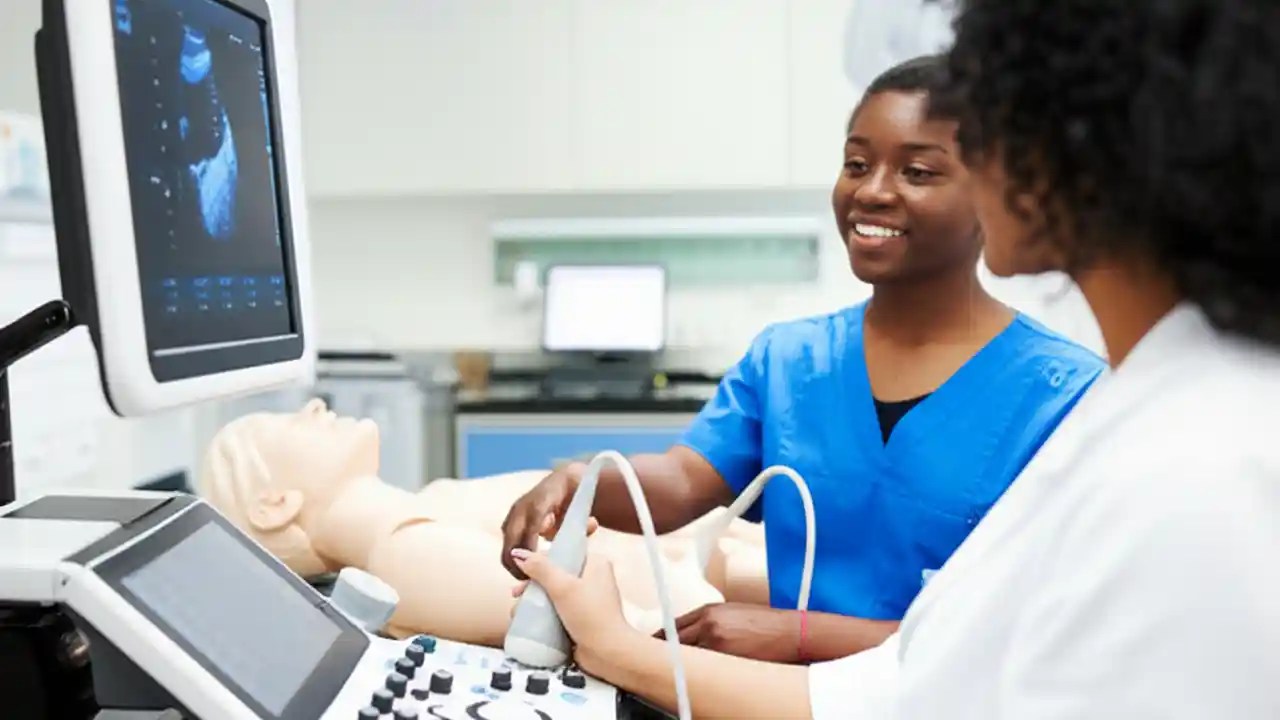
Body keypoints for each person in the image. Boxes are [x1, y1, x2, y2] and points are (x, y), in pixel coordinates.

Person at [510, 1, 1280, 717]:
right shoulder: (1165, 415)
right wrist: (607, 578)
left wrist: (634, 650)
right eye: (857, 163)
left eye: (930, 165)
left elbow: (938, 679)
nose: (876, 192)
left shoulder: (1153, 447)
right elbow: (925, 672)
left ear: (1070, 149)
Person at [502, 54, 1106, 664]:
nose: (872, 191)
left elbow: (1041, 635)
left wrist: (796, 635)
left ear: (995, 198)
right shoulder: (789, 360)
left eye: (917, 172)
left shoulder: (1067, 397)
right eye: (857, 164)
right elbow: (683, 481)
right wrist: (581, 481)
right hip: (773, 697)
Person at [195, 399, 769, 646]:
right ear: (275, 505)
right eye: (284, 425)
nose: (313, 407)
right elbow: (612, 626)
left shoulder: (417, 513)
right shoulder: (403, 558)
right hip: (696, 596)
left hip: (695, 554)